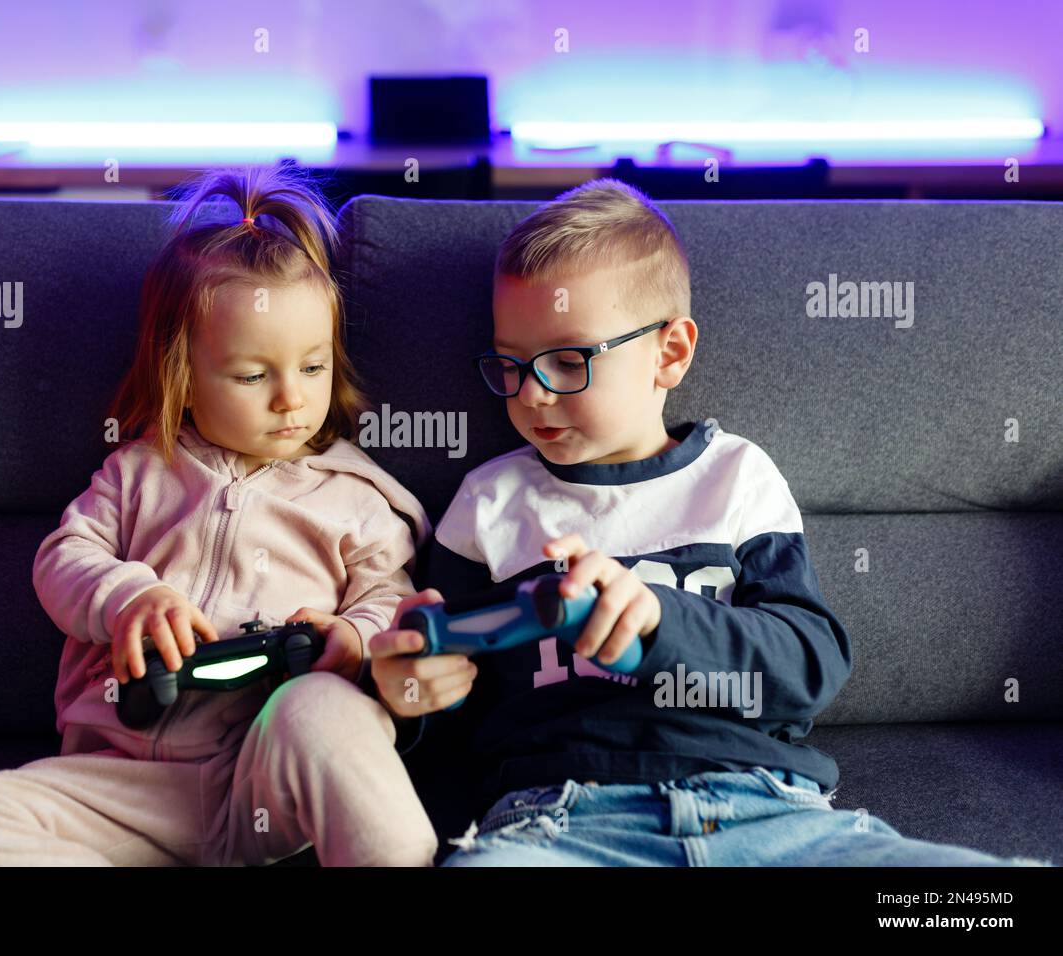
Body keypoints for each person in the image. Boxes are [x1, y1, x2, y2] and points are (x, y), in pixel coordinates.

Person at [366, 178, 1053, 867]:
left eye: (570, 361)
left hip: (767, 808)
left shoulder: (736, 477)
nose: (533, 394)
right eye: (510, 365)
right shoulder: (487, 503)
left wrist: (663, 620)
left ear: (669, 353)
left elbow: (809, 668)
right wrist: (414, 699)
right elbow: (459, 705)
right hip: (563, 822)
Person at [0, 163, 438, 867]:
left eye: (313, 368)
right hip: (124, 790)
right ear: (183, 378)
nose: (291, 398)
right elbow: (63, 559)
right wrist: (129, 595)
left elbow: (393, 598)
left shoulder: (357, 497)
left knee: (321, 710)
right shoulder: (139, 473)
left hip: (266, 778)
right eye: (253, 376)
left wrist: (352, 637)